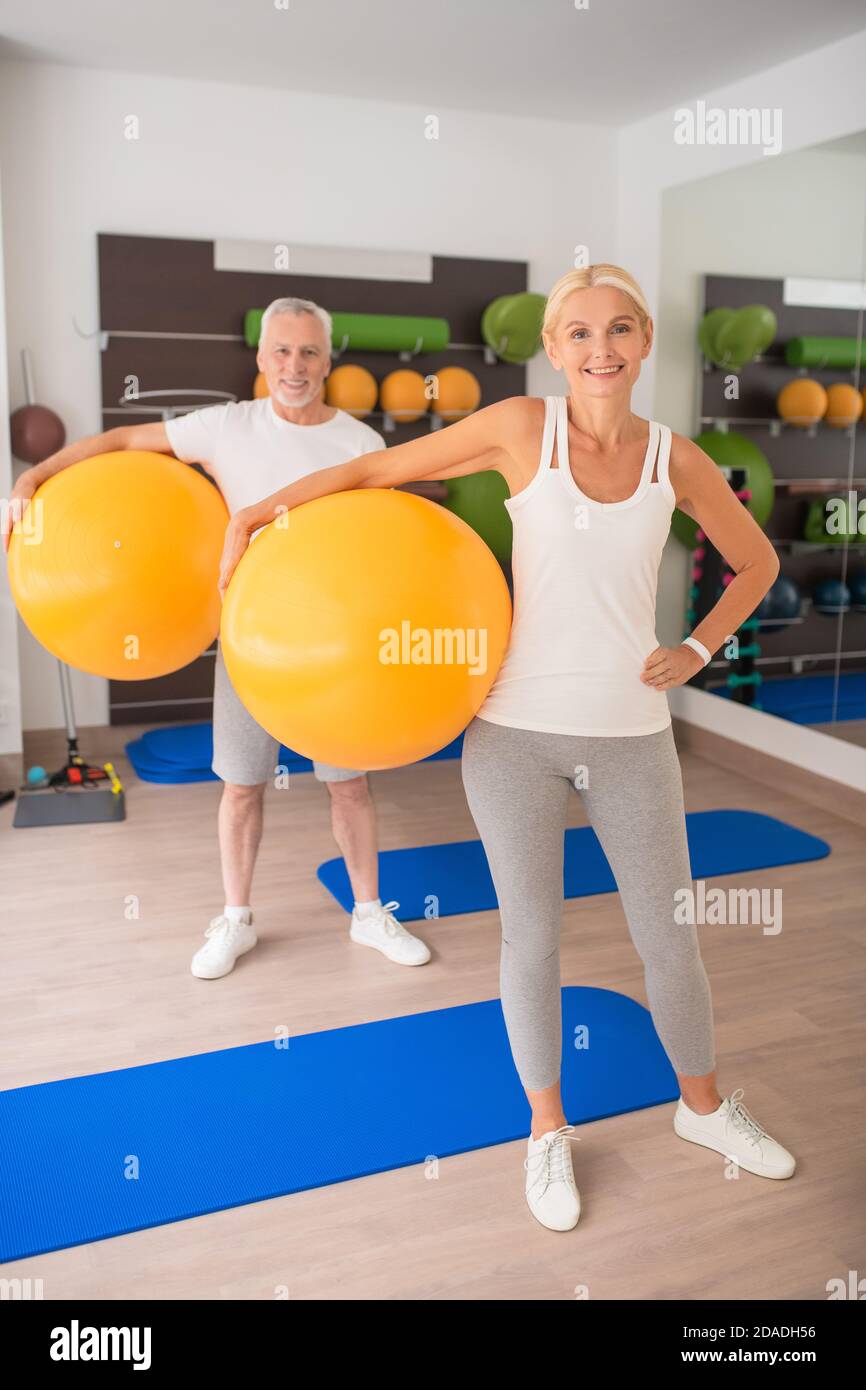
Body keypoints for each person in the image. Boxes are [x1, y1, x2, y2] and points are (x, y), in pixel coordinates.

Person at [217, 264, 797, 1232]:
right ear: (553, 347)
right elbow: (374, 471)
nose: (599, 350)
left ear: (644, 340)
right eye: (577, 333)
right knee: (531, 937)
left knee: (669, 938)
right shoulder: (520, 428)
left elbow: (758, 560)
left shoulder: (674, 459)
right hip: (512, 735)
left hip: (630, 737)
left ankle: (701, 1109)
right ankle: (544, 1131)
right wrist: (253, 512)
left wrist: (695, 648)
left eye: (617, 331)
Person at [2, 297, 432, 977]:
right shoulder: (225, 427)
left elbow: (381, 546)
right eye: (282, 351)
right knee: (241, 784)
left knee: (349, 786)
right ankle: (236, 920)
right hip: (248, 638)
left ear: (329, 359)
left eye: (310, 352)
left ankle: (369, 913)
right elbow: (118, 444)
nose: (296, 366)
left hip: (337, 645)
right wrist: (30, 477)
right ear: (262, 358)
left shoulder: (360, 442)